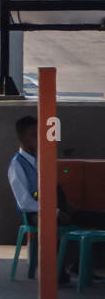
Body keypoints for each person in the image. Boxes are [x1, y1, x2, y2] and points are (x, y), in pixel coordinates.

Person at [7, 115, 105, 284]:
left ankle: (81, 265)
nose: (38, 138)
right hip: (34, 213)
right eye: (33, 135)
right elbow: (24, 202)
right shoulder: (17, 166)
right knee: (52, 224)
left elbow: (54, 187)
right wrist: (56, 212)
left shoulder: (42, 160)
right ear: (23, 138)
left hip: (57, 208)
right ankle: (57, 273)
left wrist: (65, 206)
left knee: (96, 219)